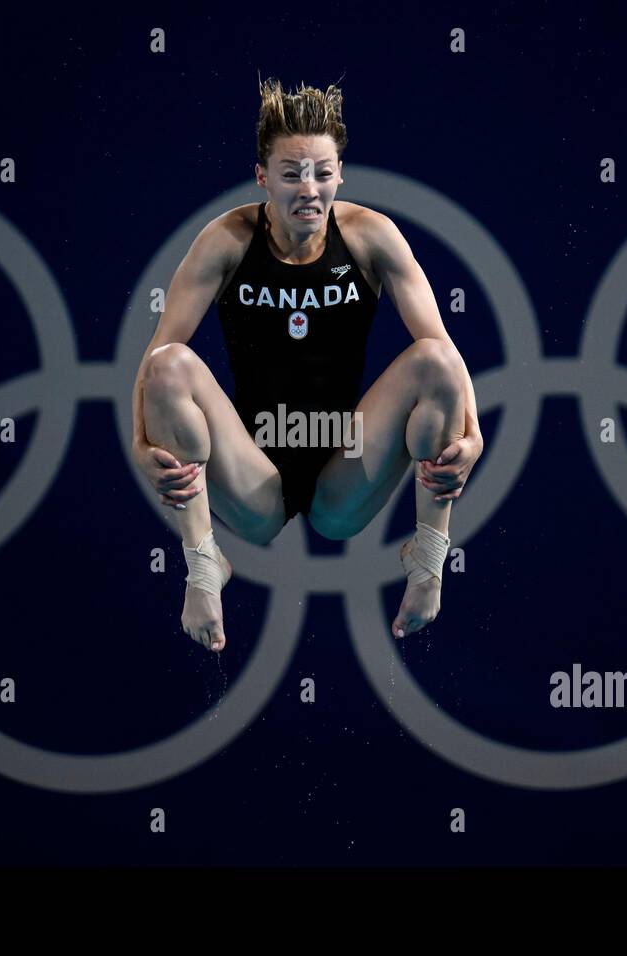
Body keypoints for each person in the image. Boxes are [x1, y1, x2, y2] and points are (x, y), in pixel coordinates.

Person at [131, 77, 483, 652]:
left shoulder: (372, 238)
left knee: (438, 361)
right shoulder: (225, 241)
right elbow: (151, 368)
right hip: (253, 478)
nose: (309, 189)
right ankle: (201, 566)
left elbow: (445, 353)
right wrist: (139, 446)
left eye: (322, 172)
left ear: (341, 172)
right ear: (262, 176)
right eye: (291, 173)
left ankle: (429, 557)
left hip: (344, 472)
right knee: (170, 365)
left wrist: (475, 437)